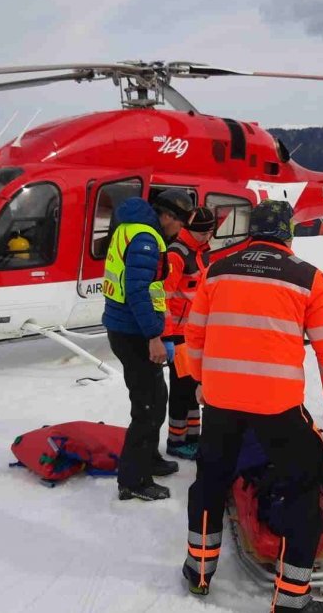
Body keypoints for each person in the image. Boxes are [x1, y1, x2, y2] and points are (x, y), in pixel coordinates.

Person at [182, 200, 323, 613]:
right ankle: (292, 599)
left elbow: (194, 337)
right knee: (302, 488)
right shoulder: (308, 278)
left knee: (210, 481)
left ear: (250, 232)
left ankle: (199, 573)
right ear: (288, 234)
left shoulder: (216, 270)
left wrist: (202, 382)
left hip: (220, 402)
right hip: (277, 406)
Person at [102, 189, 194, 501]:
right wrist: (155, 336)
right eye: (178, 222)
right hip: (135, 332)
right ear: (166, 216)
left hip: (127, 327)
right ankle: (133, 480)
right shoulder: (145, 239)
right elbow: (139, 292)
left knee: (157, 396)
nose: (179, 230)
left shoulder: (131, 229)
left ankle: (149, 459)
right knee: (147, 406)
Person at [162, 206, 216, 460]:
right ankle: (176, 440)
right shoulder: (177, 254)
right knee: (182, 388)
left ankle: (193, 436)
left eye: (210, 232)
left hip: (196, 331)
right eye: (203, 233)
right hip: (179, 333)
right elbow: (162, 297)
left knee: (194, 385)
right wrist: (166, 336)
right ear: (190, 230)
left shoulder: (200, 253)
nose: (207, 237)